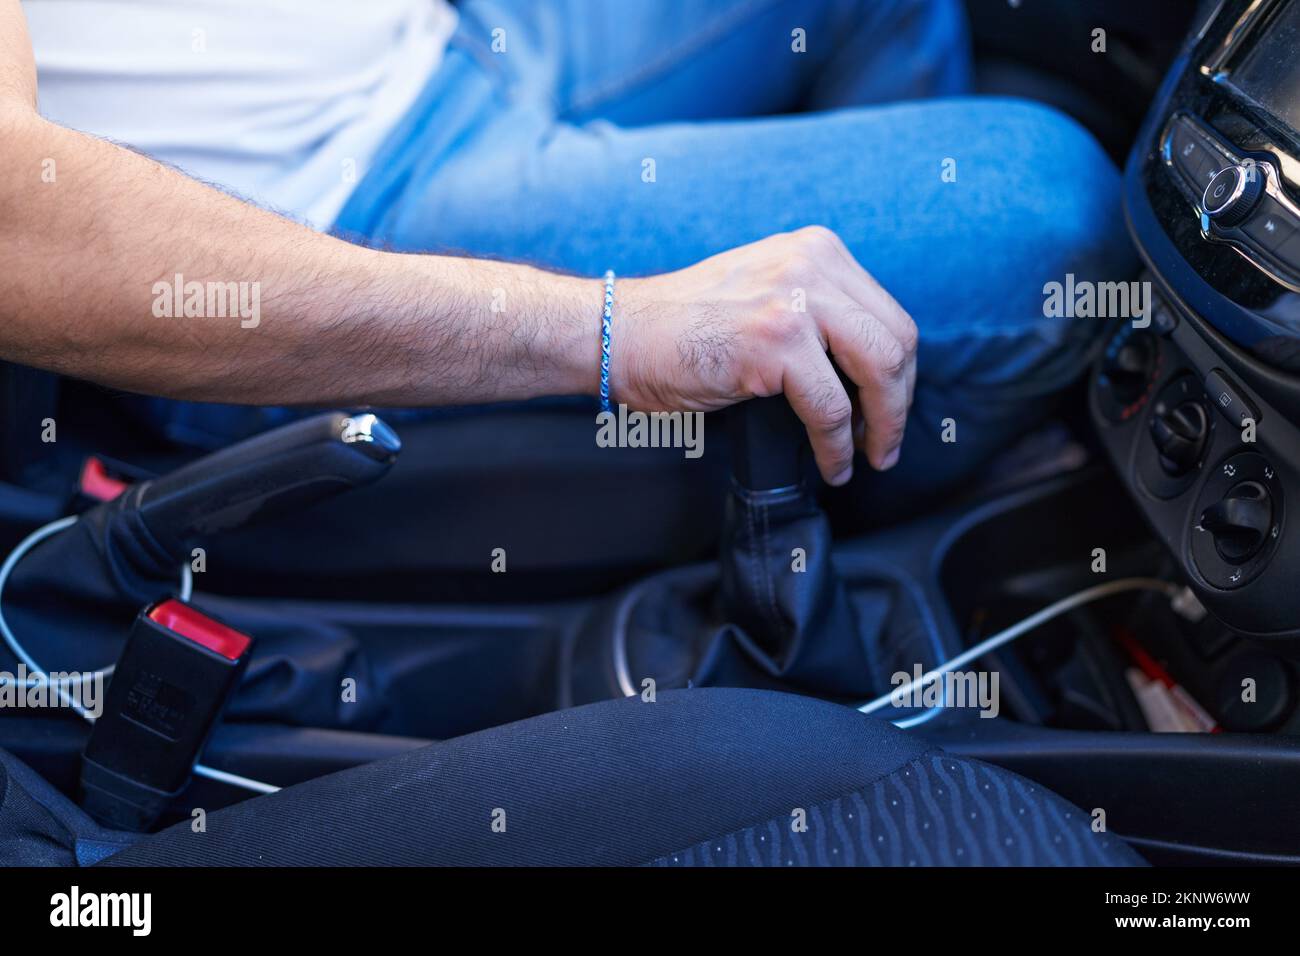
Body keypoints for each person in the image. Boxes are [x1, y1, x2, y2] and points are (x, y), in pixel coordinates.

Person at [2, 0, 1132, 498]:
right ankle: (898, 500)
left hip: (447, 38)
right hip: (324, 221)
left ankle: (877, 394)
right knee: (1050, 210)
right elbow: (20, 218)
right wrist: (613, 322)